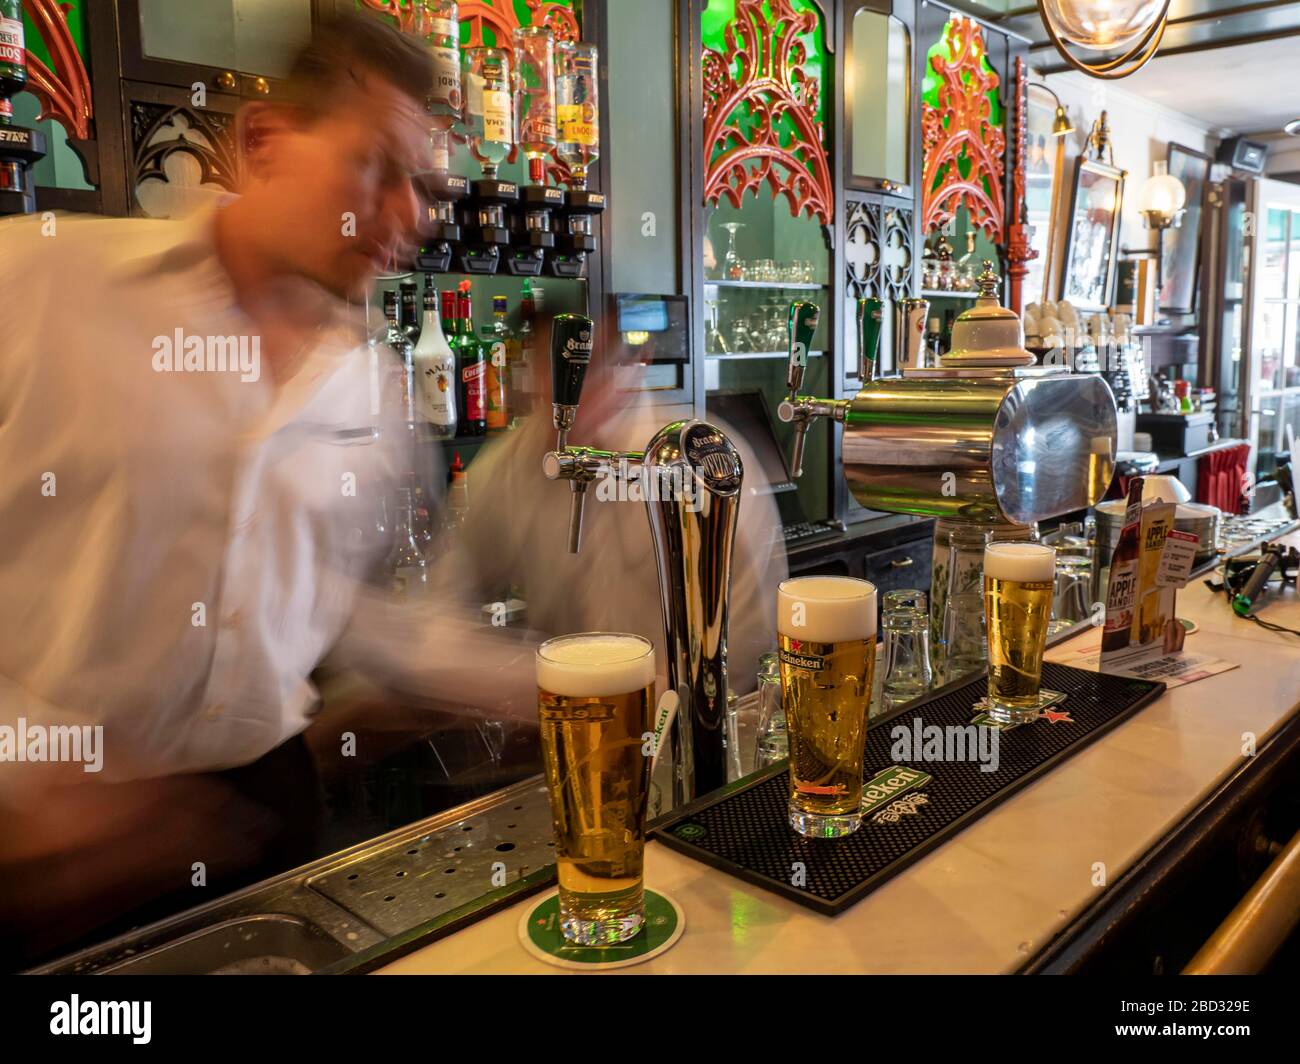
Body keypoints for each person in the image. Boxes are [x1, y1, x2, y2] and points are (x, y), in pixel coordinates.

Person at [0, 13, 536, 966]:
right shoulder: (40, 287)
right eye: (377, 167)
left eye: (427, 188)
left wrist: (530, 685)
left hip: (254, 825)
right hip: (32, 843)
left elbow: (349, 608)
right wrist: (31, 773)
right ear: (263, 143)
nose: (411, 216)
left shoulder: (371, 385)